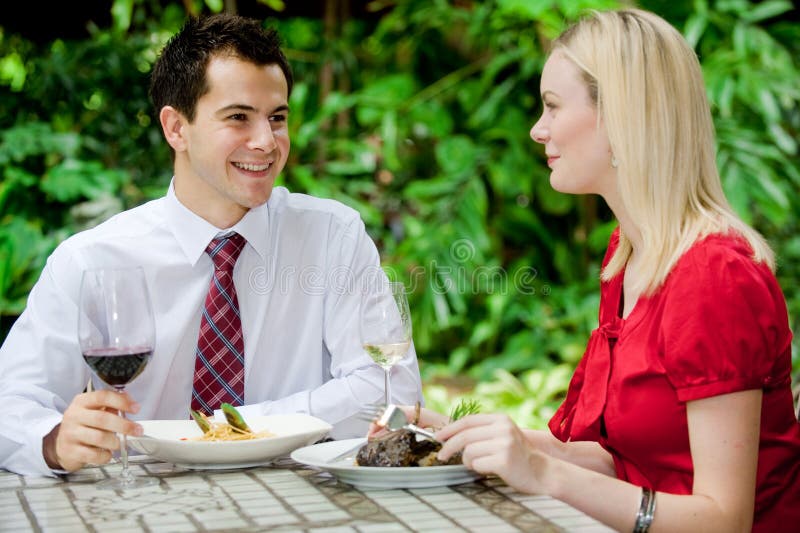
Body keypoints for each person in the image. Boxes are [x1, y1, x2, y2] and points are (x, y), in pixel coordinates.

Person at [375, 8, 799, 533]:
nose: (537, 129)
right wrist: (470, 437)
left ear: (623, 117)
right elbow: (627, 462)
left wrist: (544, 473)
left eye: (552, 107)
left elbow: (723, 520)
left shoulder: (713, 277)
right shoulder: (630, 254)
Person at [0, 13, 422, 476]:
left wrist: (229, 429)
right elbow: (11, 401)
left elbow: (390, 390)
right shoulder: (92, 260)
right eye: (238, 117)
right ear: (176, 128)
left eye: (277, 118)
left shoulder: (332, 236)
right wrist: (53, 440)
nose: (266, 142)